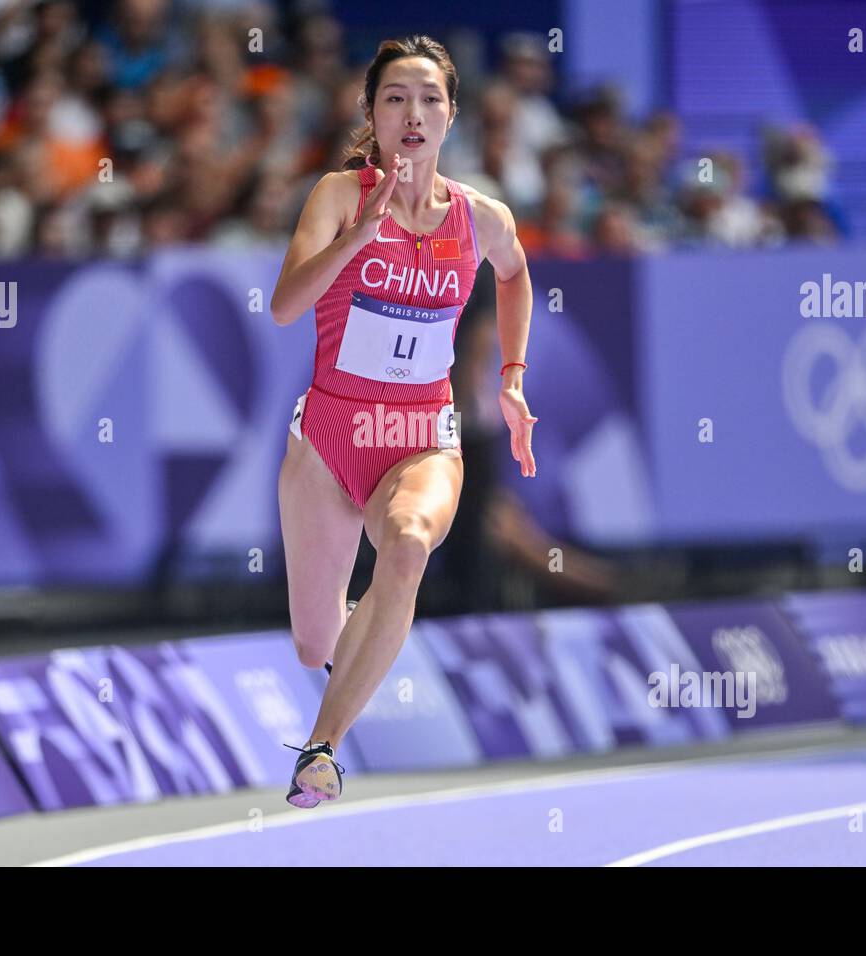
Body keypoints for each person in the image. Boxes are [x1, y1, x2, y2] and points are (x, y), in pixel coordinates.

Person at [270, 35, 537, 808]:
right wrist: (356, 239)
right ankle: (361, 629)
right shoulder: (335, 196)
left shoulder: (481, 216)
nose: (412, 113)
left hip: (420, 436)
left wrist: (512, 379)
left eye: (429, 98)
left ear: (451, 115)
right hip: (327, 439)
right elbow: (287, 307)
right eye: (395, 98)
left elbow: (516, 274)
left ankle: (321, 749)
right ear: (372, 114)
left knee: (411, 542)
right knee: (313, 643)